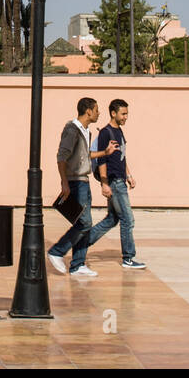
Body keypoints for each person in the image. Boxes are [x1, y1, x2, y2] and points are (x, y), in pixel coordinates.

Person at [47, 97, 117, 279]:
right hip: (75, 181)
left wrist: (105, 152)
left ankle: (78, 264)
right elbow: (61, 156)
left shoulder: (86, 131)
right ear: (88, 111)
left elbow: (85, 155)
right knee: (84, 223)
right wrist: (64, 182)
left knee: (85, 224)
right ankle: (57, 251)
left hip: (83, 181)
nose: (99, 113)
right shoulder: (72, 130)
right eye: (96, 110)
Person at [86, 99, 145, 269]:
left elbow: (122, 156)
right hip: (114, 182)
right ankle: (128, 257)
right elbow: (103, 158)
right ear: (113, 113)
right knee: (127, 220)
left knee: (112, 219)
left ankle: (81, 244)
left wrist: (129, 175)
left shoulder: (119, 132)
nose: (126, 117)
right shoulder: (106, 132)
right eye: (123, 114)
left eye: (127, 114)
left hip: (120, 179)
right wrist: (104, 183)